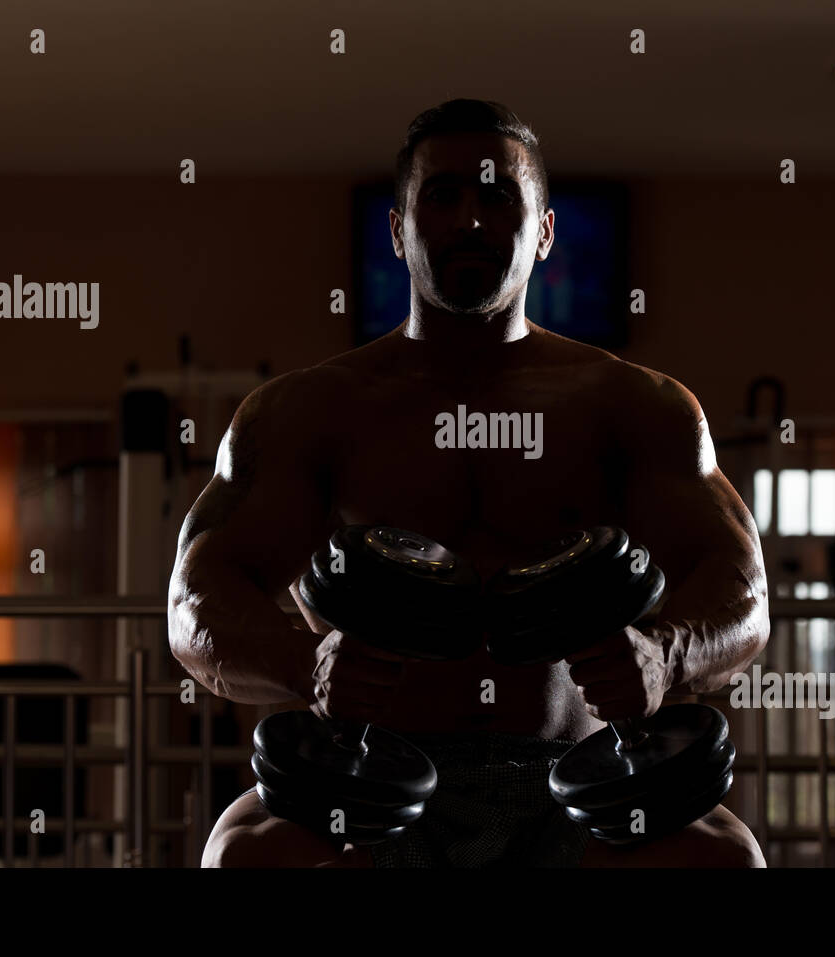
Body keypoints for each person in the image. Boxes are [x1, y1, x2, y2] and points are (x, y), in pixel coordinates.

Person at [168, 99, 769, 867]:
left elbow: (743, 589)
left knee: (723, 856)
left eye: (497, 197)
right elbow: (194, 600)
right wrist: (302, 664)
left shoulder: (634, 407)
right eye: (442, 196)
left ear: (544, 232)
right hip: (375, 782)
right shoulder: (310, 411)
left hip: (579, 785)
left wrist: (667, 652)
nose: (470, 221)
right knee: (246, 853)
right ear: (398, 230)